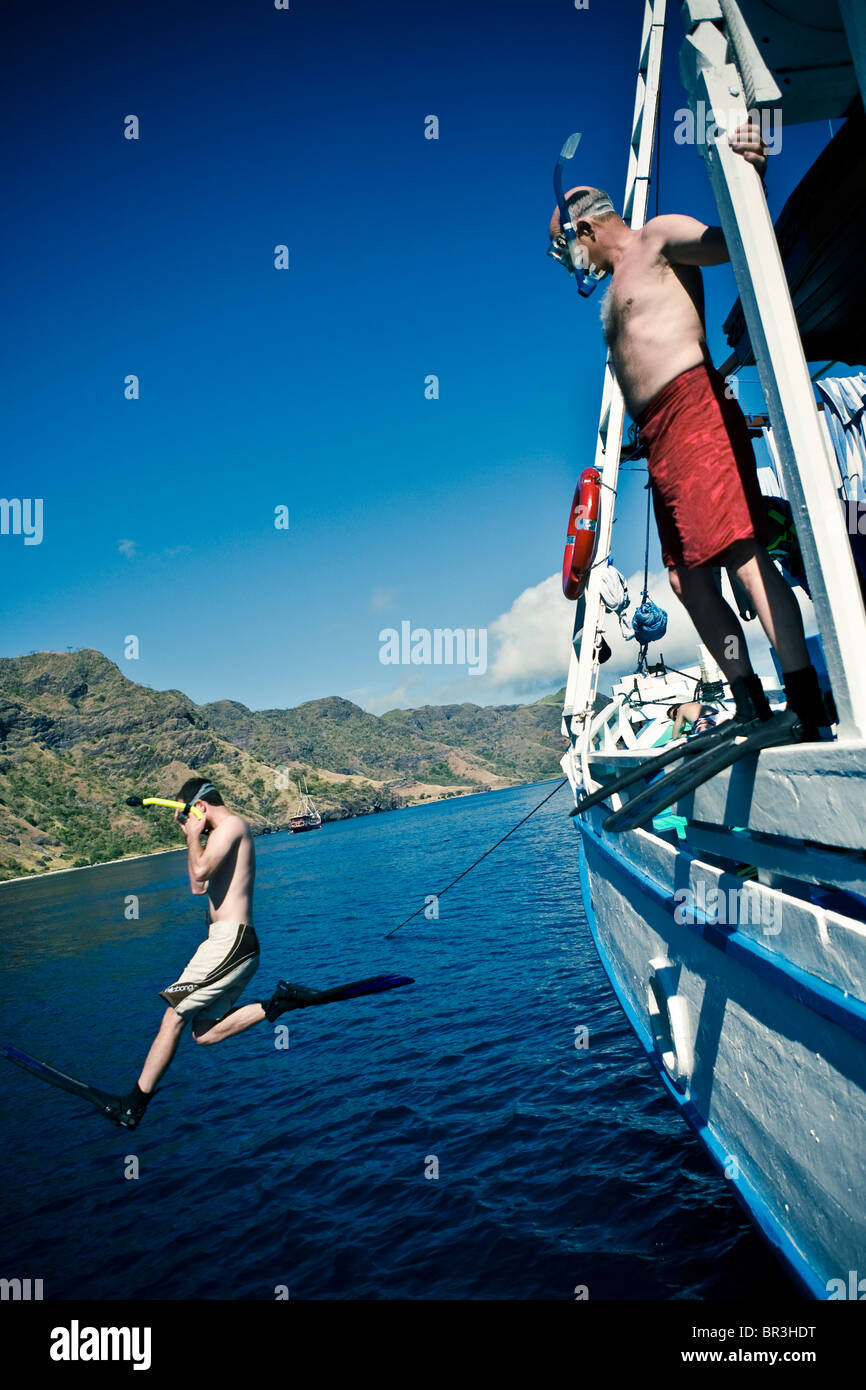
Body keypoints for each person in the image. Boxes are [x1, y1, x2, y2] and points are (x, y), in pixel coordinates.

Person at [548, 124, 829, 741]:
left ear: (586, 229)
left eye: (564, 251)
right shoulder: (614, 289)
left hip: (695, 410)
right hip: (659, 438)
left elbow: (729, 241)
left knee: (741, 551)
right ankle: (751, 702)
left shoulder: (658, 237)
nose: (571, 266)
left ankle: (807, 704)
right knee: (684, 579)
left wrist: (750, 173)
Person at [111, 777, 324, 1129]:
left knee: (173, 1016)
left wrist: (193, 834)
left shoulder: (231, 826)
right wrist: (191, 835)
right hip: (230, 945)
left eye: (191, 817)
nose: (191, 825)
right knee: (205, 1032)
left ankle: (134, 1104)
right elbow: (199, 886)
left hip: (231, 941)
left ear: (201, 807)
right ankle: (280, 1003)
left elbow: (198, 870)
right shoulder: (222, 836)